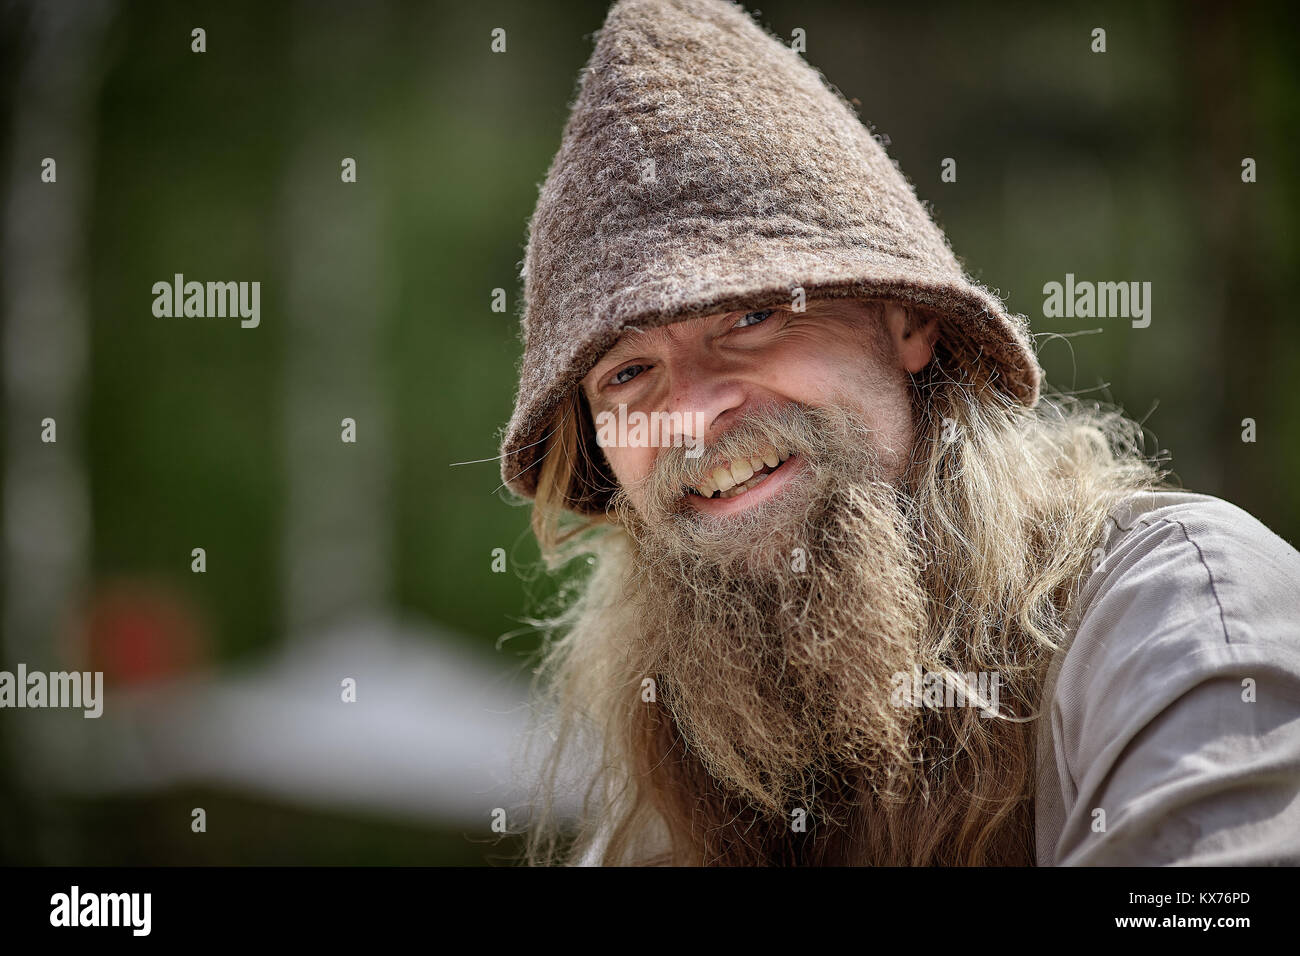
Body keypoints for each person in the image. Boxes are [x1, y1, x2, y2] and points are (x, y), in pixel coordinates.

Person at [496, 0, 1300, 865]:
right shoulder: (669, 780)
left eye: (754, 315)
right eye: (627, 373)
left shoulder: (1178, 611)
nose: (693, 410)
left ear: (907, 322)